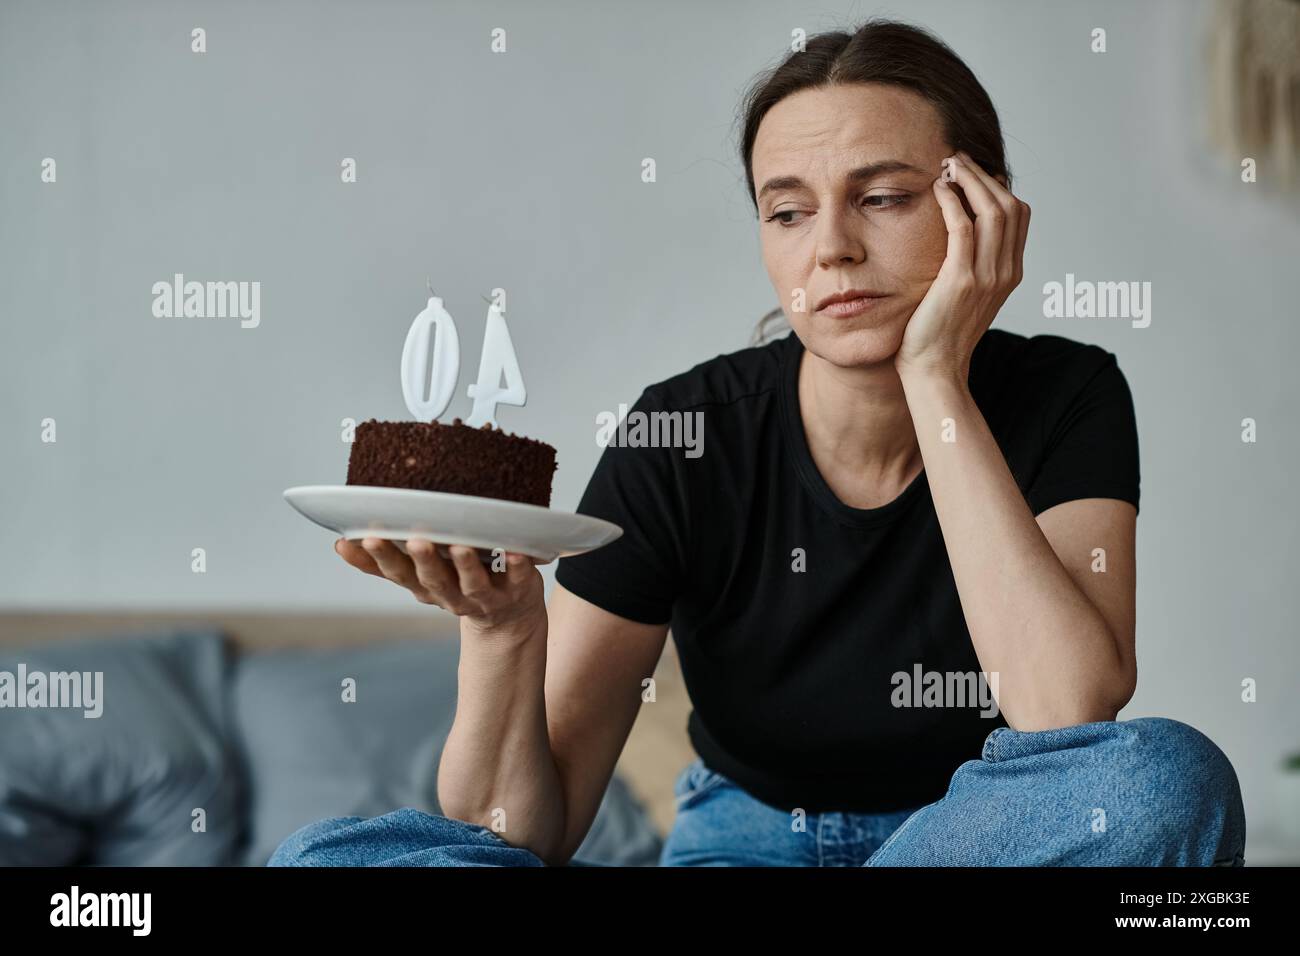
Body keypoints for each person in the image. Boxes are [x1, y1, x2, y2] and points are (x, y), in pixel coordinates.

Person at [269, 18, 1245, 868]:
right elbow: (527, 831)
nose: (829, 248)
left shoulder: (1064, 393)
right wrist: (502, 629)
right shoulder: (682, 434)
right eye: (787, 210)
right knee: (323, 855)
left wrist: (933, 375)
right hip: (742, 839)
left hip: (968, 836)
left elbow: (1065, 709)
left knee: (1167, 774)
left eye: (884, 197)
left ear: (982, 207)